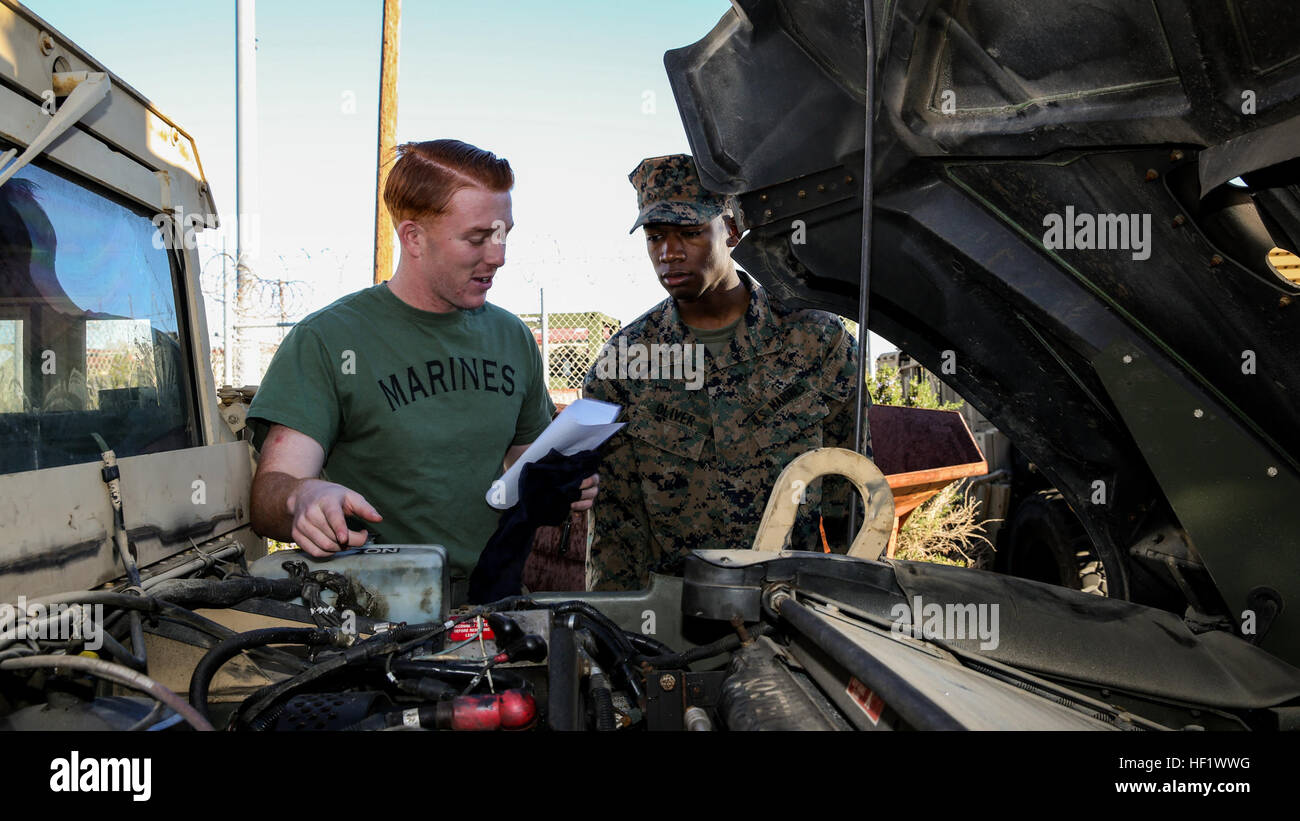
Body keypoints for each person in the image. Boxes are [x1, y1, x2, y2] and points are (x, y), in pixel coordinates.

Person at [246, 139, 597, 602]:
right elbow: (269, 492)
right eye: (476, 238)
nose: (498, 255)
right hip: (379, 609)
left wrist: (565, 481)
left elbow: (525, 463)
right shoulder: (328, 340)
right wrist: (302, 499)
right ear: (413, 237)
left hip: (496, 597)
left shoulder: (511, 337)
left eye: (503, 233)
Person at [582, 154, 860, 591]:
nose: (668, 253)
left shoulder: (816, 341)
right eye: (655, 237)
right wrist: (619, 626)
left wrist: (851, 602)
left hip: (791, 604)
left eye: (690, 233)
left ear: (731, 230)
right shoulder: (626, 360)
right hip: (678, 615)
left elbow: (853, 484)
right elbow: (617, 521)